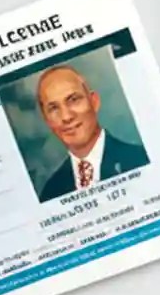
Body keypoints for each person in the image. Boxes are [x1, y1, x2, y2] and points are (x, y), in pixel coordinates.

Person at [35, 65, 148, 201]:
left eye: (73, 100)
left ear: (94, 102)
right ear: (47, 120)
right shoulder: (51, 191)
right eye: (53, 108)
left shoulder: (140, 159)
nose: (66, 117)